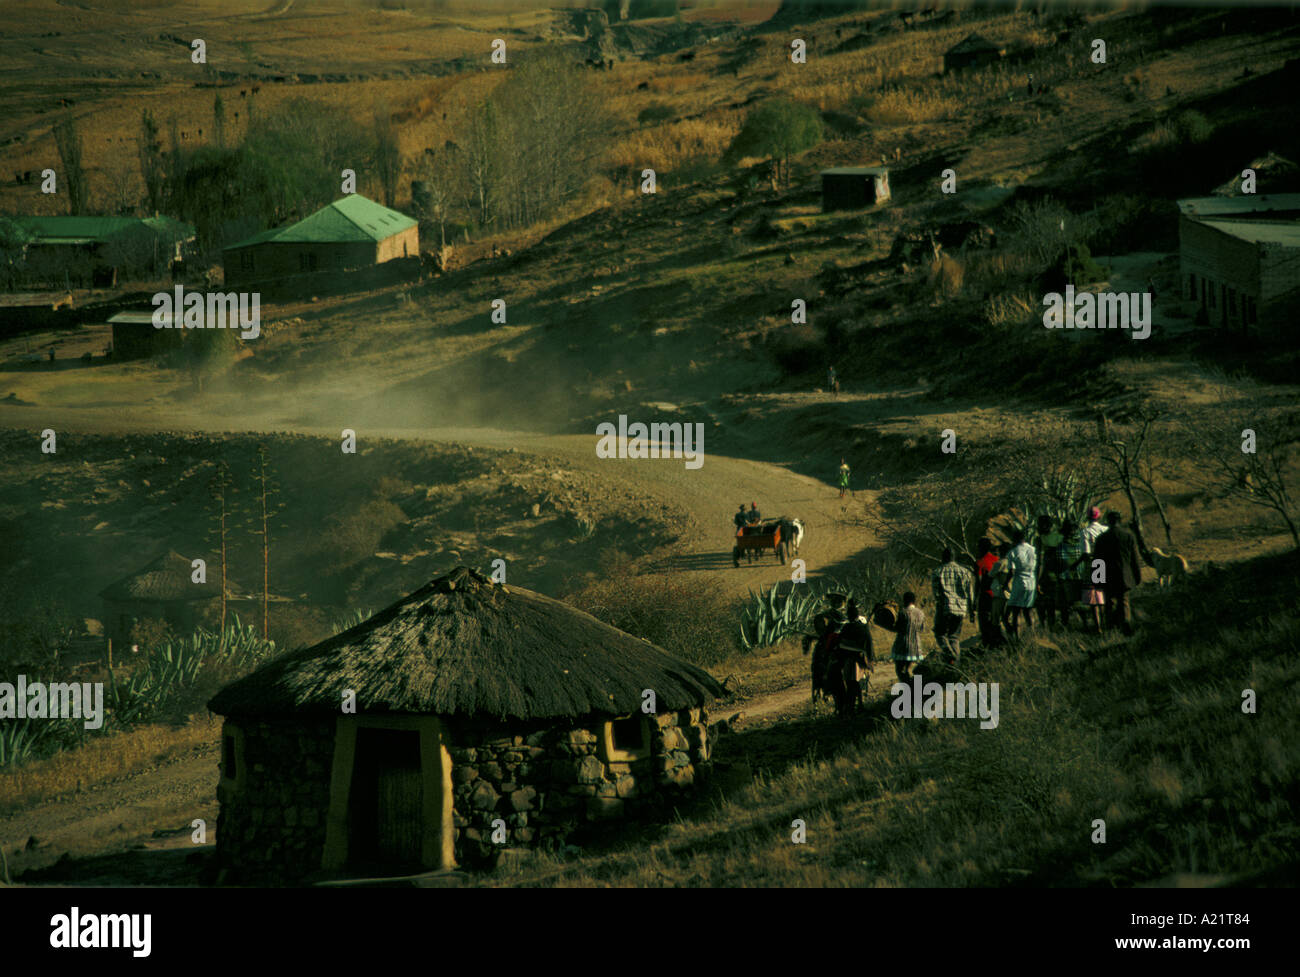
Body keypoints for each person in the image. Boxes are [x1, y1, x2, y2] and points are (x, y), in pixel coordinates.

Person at [1093, 511, 1143, 636]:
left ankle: (1110, 630)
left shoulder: (1101, 539)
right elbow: (1134, 559)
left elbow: (1097, 561)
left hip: (1107, 577)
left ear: (1108, 521)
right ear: (1119, 520)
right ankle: (1126, 626)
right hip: (1125, 576)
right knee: (1124, 601)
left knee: (1109, 603)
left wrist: (1096, 579)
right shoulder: (1128, 536)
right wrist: (1137, 576)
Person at [931, 547, 974, 664]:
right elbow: (970, 593)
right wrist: (971, 611)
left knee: (940, 634)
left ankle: (950, 654)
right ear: (954, 557)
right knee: (954, 637)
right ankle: (956, 664)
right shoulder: (965, 572)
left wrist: (940, 608)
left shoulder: (938, 572)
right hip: (961, 608)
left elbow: (936, 594)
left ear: (943, 557)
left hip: (945, 607)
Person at [831, 599, 873, 715]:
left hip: (849, 660)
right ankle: (858, 704)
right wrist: (870, 659)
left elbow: (840, 644)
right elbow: (869, 643)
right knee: (858, 682)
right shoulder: (863, 627)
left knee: (851, 683)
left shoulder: (846, 628)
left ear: (849, 616)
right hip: (860, 659)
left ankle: (850, 707)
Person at [804, 593, 848, 701]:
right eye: (837, 601)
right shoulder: (838, 616)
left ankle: (819, 689)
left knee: (818, 666)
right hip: (834, 645)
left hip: (826, 645)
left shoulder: (824, 615)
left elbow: (822, 633)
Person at [1004, 529, 1037, 636]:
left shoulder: (1013, 552)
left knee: (1016, 612)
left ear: (1015, 539)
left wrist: (1005, 584)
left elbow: (1011, 571)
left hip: (1019, 584)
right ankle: (1032, 635)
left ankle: (1017, 637)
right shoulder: (1033, 550)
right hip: (1032, 583)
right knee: (1029, 611)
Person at [1054, 519, 1084, 630]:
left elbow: (1060, 563)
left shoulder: (1061, 546)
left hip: (1067, 578)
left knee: (1065, 605)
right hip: (1081, 576)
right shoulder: (1081, 544)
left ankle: (1066, 626)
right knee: (1080, 603)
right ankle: (1085, 624)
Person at [1035, 515, 1063, 629]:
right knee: (1053, 602)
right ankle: (1053, 625)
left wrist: (1037, 580)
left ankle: (1044, 626)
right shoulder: (1060, 537)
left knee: (1041, 602)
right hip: (1060, 574)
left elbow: (1041, 562)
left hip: (1045, 575)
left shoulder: (1040, 539)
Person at [974, 537, 1004, 647]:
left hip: (985, 594)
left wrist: (974, 599)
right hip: (998, 594)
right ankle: (999, 644)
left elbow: (979, 581)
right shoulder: (996, 559)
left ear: (981, 547)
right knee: (996, 620)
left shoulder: (979, 562)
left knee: (984, 622)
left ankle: (988, 645)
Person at [891, 591, 926, 681]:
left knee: (900, 670)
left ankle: (908, 688)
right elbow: (922, 629)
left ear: (904, 600)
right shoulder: (921, 613)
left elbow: (897, 628)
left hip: (902, 645)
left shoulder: (902, 613)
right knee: (911, 669)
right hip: (916, 646)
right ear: (914, 601)